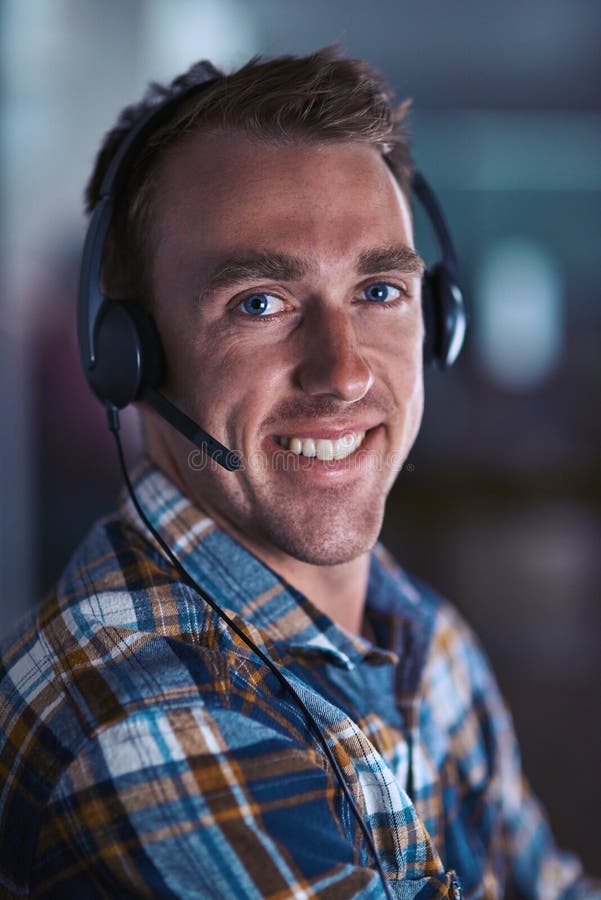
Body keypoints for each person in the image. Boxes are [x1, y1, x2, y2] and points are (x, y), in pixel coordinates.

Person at [0, 47, 598, 900]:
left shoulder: (415, 634)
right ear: (127, 358)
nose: (345, 372)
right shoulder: (145, 722)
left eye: (380, 291)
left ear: (439, 318)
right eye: (260, 304)